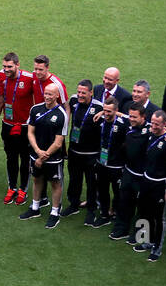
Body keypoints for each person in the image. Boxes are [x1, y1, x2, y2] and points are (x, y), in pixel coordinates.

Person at [20, 83, 67, 228]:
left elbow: (59, 142)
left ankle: (54, 212)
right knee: (37, 179)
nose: (47, 96)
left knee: (55, 183)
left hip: (53, 158)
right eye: (46, 93)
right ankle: (35, 208)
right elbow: (30, 132)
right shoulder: (35, 109)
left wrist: (42, 156)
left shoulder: (62, 114)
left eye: (50, 94)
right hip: (36, 154)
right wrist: (37, 150)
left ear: (57, 95)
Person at [136, 110, 166, 262]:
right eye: (152, 123)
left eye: (157, 124)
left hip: (161, 183)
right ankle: (146, 241)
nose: (153, 126)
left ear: (165, 125)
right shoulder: (148, 133)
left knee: (159, 217)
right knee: (144, 212)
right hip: (147, 179)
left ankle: (157, 248)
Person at [0, 53, 35, 205]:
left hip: (25, 127)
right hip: (7, 124)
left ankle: (23, 190)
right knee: (11, 158)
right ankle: (12, 187)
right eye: (4, 66)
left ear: (17, 65)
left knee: (25, 160)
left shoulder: (29, 78)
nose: (6, 69)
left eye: (9, 67)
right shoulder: (1, 76)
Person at [111, 105, 150, 243]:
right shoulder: (129, 122)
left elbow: (165, 131)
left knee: (143, 207)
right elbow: (119, 114)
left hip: (143, 176)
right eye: (130, 116)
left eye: (135, 117)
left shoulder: (150, 130)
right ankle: (122, 229)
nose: (131, 119)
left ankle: (141, 236)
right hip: (128, 171)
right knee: (124, 201)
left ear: (143, 117)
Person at [63, 80, 100, 224]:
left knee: (92, 183)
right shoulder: (73, 100)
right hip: (74, 151)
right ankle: (73, 204)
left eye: (83, 93)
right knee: (74, 179)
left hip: (91, 154)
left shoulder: (98, 107)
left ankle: (91, 210)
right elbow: (64, 107)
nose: (80, 95)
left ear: (91, 93)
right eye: (78, 92)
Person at [91, 96, 129, 230]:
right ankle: (105, 214)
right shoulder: (99, 120)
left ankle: (117, 215)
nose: (106, 114)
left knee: (118, 192)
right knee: (102, 190)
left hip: (117, 165)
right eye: (104, 111)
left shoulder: (123, 124)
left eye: (109, 112)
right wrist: (101, 113)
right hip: (101, 163)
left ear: (116, 110)